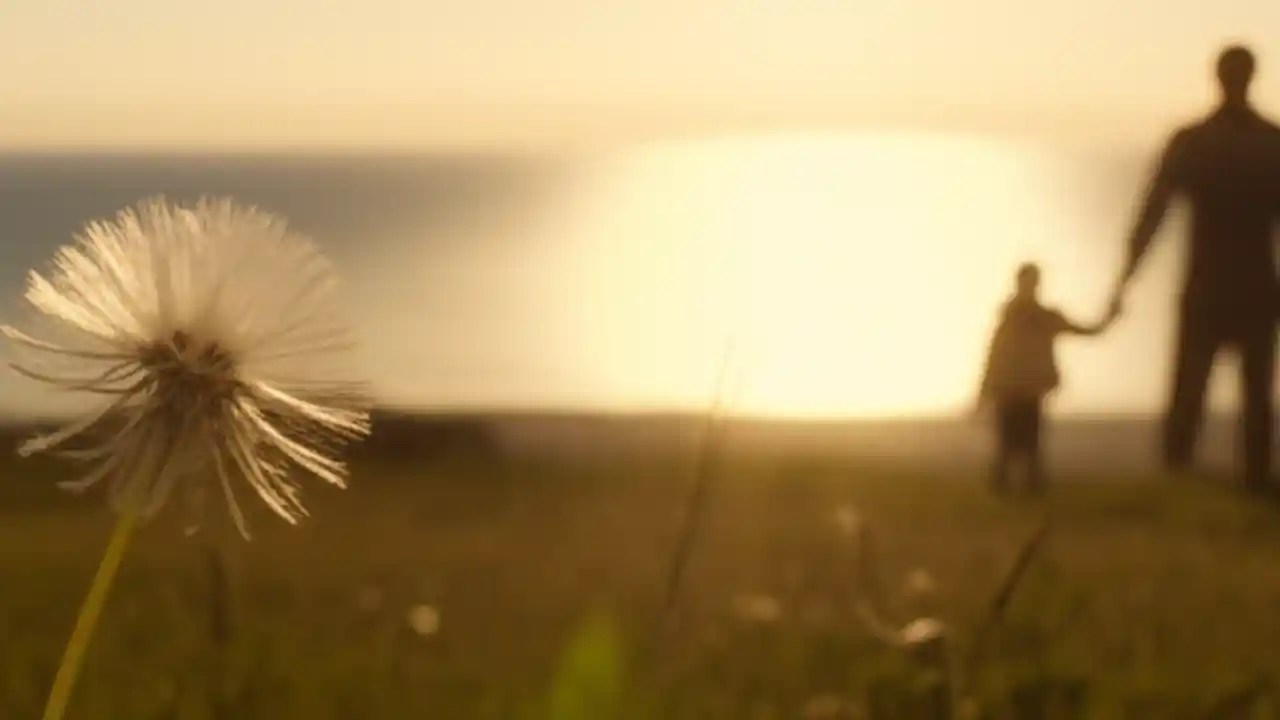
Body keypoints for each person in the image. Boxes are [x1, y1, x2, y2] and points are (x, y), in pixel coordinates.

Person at [1109, 45, 1280, 491]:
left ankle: (1178, 470)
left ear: (1219, 78)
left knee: (1190, 387)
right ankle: (1254, 478)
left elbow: (1153, 213)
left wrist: (1124, 280)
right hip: (1257, 285)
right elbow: (1154, 210)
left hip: (1208, 283)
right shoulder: (1270, 144)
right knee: (1255, 394)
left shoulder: (1195, 142)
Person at [978, 263, 1118, 494]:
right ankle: (1009, 492)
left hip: (1027, 392)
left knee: (1027, 447)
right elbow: (995, 356)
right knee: (1010, 448)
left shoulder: (1037, 317)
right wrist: (984, 391)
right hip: (1011, 392)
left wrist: (1109, 318)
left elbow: (1087, 330)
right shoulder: (1014, 317)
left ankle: (1022, 492)